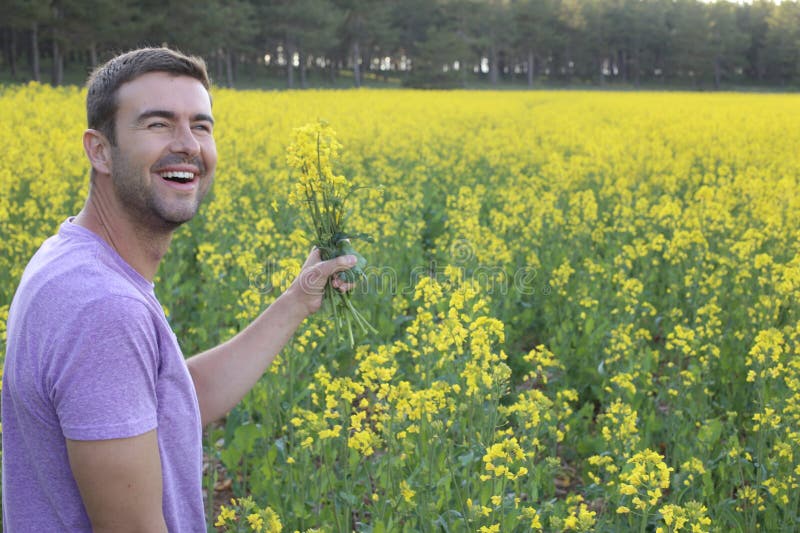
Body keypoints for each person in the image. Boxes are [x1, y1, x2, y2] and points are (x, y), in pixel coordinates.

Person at [1, 47, 356, 532]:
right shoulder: (102, 308)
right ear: (99, 150)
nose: (188, 144)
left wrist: (298, 300)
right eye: (158, 124)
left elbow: (168, 402)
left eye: (201, 125)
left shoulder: (73, 259)